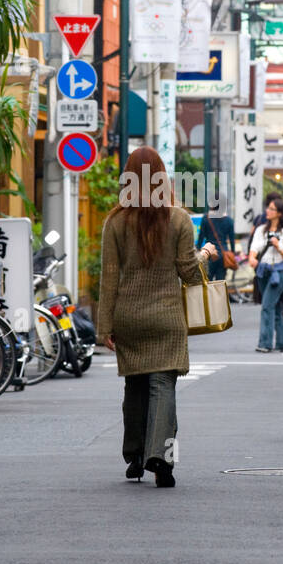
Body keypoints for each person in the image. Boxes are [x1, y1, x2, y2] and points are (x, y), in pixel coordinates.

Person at [96, 147, 216, 489]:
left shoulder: (115, 222)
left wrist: (104, 327)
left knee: (135, 385)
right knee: (163, 386)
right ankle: (161, 459)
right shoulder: (178, 218)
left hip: (128, 317)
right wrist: (204, 254)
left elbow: (109, 279)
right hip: (166, 317)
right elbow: (190, 275)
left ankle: (134, 456)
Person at [249, 194, 283, 352]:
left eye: (271, 209)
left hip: (280, 272)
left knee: (267, 305)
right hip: (263, 271)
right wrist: (252, 258)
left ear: (279, 213)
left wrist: (278, 246)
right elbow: (254, 249)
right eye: (268, 208)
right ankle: (282, 342)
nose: (267, 211)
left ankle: (265, 342)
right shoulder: (261, 230)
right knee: (275, 307)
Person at [196, 205, 236, 282]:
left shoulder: (206, 219)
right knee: (220, 283)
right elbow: (232, 239)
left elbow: (201, 237)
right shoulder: (229, 220)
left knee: (207, 281)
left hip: (209, 254)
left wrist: (198, 250)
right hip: (223, 255)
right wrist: (232, 253)